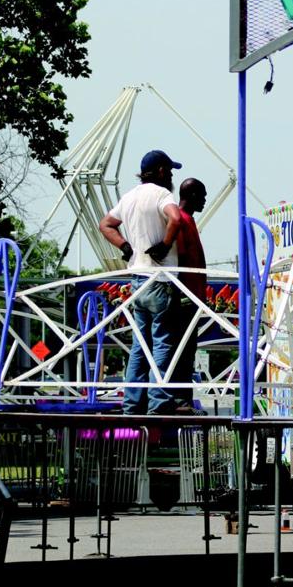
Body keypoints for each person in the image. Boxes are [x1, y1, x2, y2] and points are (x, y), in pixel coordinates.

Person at [98, 150, 183, 415]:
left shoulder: (129, 197)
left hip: (137, 280)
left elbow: (105, 225)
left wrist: (124, 246)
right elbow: (176, 218)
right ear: (159, 171)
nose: (170, 175)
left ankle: (132, 404)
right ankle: (158, 403)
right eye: (168, 170)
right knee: (162, 342)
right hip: (160, 279)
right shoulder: (162, 195)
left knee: (139, 344)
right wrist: (165, 244)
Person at [172, 178, 208, 412]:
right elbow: (181, 259)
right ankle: (180, 400)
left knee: (187, 351)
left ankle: (183, 398)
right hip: (185, 297)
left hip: (193, 296)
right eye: (202, 195)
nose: (205, 200)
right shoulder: (181, 221)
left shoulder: (188, 221)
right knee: (182, 351)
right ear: (192, 195)